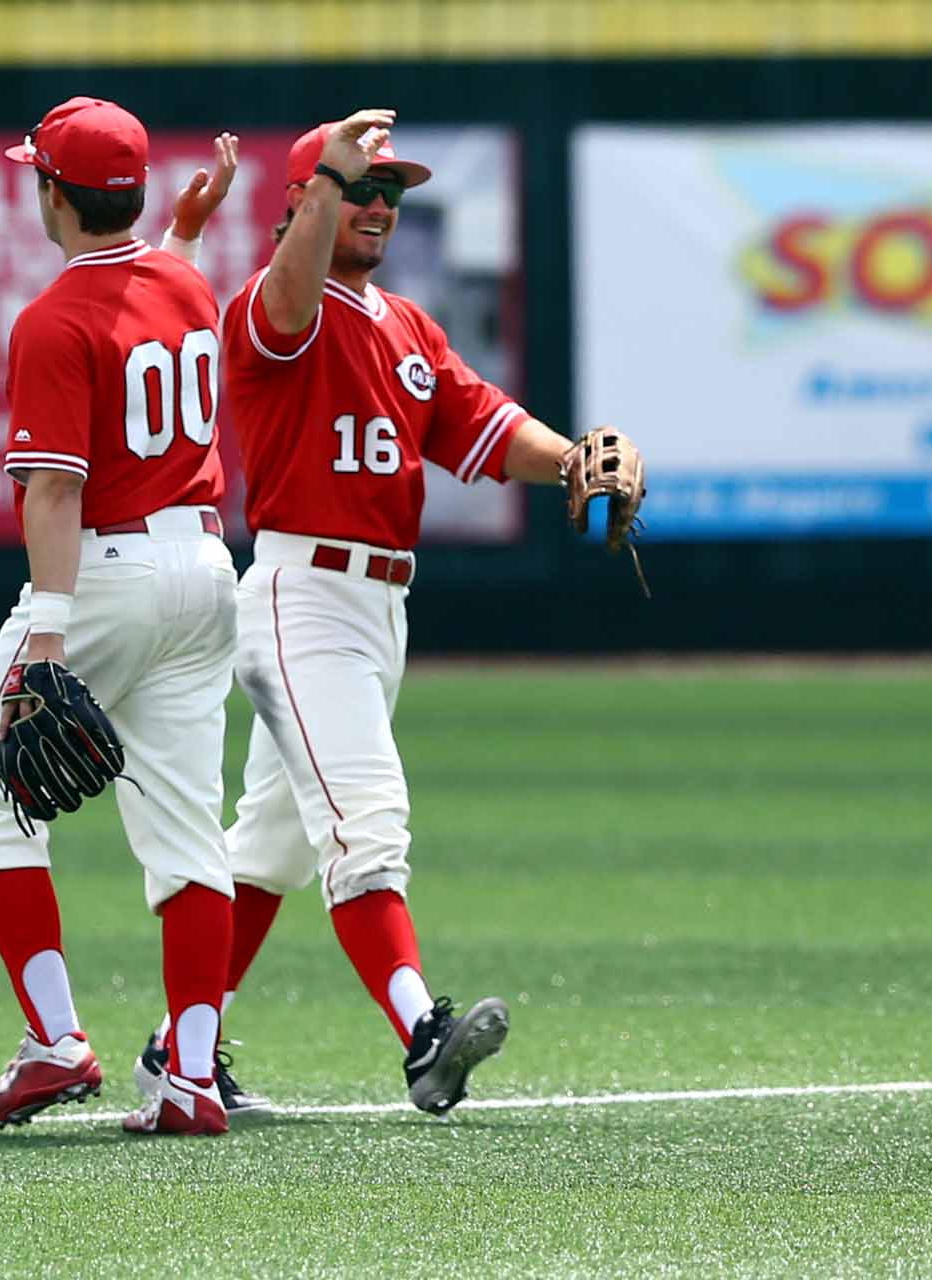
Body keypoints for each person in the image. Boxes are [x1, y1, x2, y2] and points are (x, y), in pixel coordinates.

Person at [136, 109, 602, 1117]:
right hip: (301, 593)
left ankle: (179, 1048)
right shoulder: (275, 302)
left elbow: (480, 419)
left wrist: (567, 458)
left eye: (393, 192)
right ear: (309, 202)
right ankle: (422, 1035)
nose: (383, 205)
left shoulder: (406, 327)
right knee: (368, 819)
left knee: (272, 846)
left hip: (378, 602)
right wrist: (323, 187)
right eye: (362, 189)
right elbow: (290, 298)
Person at [0, 97, 244, 1137]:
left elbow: (55, 492)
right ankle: (194, 1077)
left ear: (55, 195)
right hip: (208, 571)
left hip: (107, 571)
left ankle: (58, 1043)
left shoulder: (52, 318)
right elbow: (153, 288)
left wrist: (48, 630)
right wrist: (191, 227)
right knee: (188, 829)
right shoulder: (189, 279)